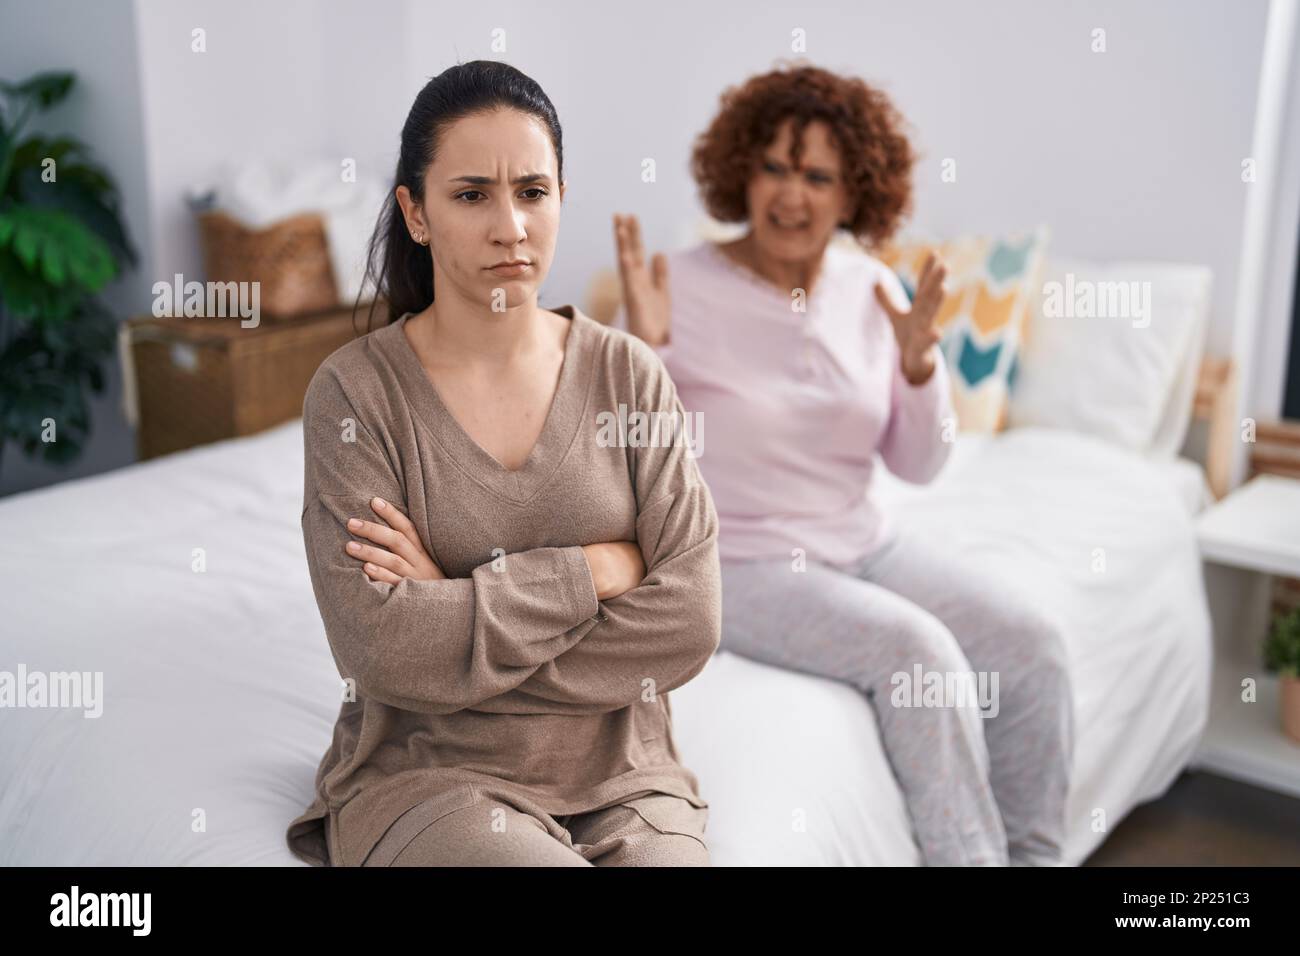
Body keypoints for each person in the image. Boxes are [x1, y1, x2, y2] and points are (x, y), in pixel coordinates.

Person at [614, 63, 1074, 866]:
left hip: (863, 543)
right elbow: (614, 470)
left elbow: (918, 466)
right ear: (740, 171)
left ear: (855, 190)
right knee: (918, 654)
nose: (791, 196)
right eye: (774, 167)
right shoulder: (671, 287)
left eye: (818, 177)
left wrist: (921, 369)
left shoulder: (872, 286)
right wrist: (641, 352)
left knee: (1032, 646)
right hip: (736, 560)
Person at [285, 60, 720, 867]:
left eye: (532, 191)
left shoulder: (629, 375)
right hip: (431, 778)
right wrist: (593, 571)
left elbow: (690, 624)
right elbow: (378, 648)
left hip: (628, 778)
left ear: (560, 197)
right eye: (471, 195)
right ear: (415, 213)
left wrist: (454, 613)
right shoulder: (354, 394)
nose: (511, 226)